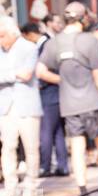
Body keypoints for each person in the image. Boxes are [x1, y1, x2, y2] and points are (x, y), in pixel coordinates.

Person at [37, 0, 98, 196]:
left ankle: (83, 192)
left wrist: (61, 80)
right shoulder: (89, 41)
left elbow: (40, 71)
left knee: (77, 147)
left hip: (68, 104)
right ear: (84, 18)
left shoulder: (54, 42)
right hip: (93, 102)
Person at [0, 16, 42, 196]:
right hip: (6, 107)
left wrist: (8, 75)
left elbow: (26, 75)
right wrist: (14, 74)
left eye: (2, 36)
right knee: (8, 148)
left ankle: (31, 185)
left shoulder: (29, 48)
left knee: (31, 148)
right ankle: (10, 187)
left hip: (27, 106)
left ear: (12, 34)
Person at [34, 12, 69, 176]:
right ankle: (58, 165)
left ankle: (48, 166)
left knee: (49, 130)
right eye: (56, 22)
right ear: (48, 23)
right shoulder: (46, 41)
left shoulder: (51, 41)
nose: (59, 24)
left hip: (52, 90)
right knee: (55, 131)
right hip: (50, 88)